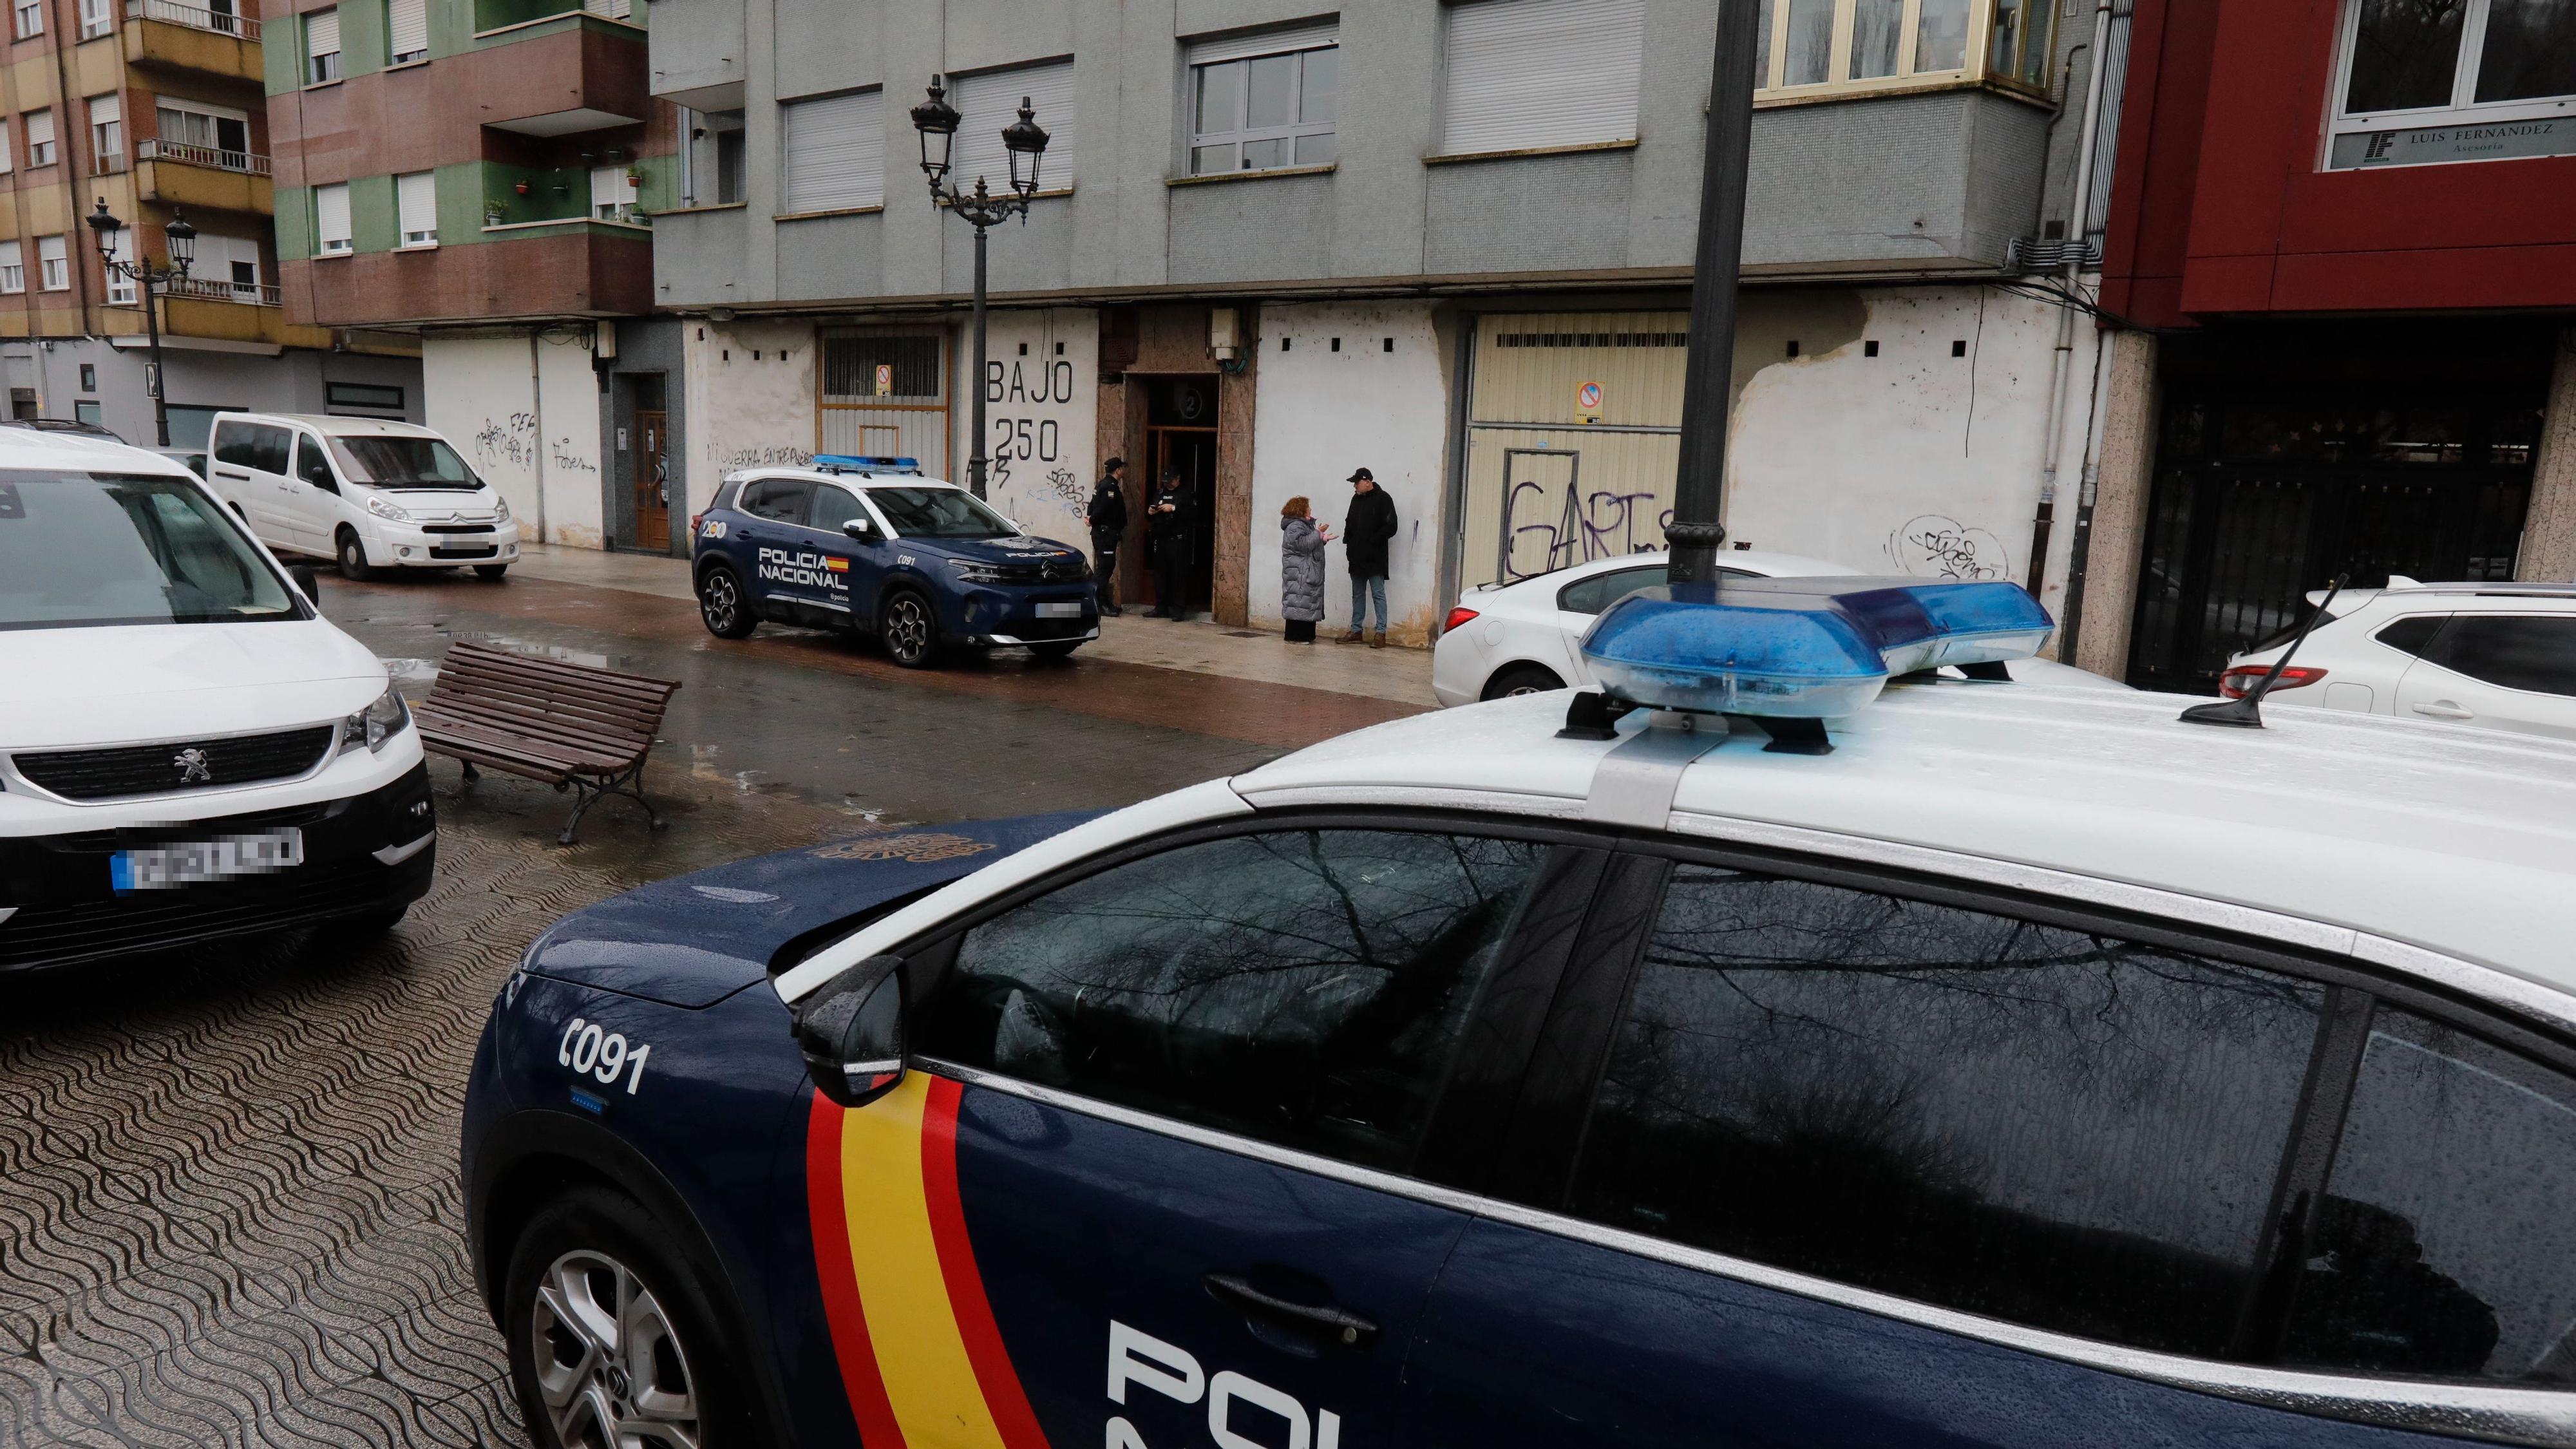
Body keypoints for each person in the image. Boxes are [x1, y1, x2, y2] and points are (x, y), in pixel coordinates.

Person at [1340, 466, 1398, 647]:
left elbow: (1391, 527)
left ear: (1367, 481)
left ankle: (1380, 633)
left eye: (1356, 483)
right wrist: (1348, 543)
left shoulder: (1384, 499)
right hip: (1357, 557)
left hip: (1375, 558)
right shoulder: (1355, 500)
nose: (1355, 487)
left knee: (1378, 594)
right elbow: (1349, 523)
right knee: (1357, 595)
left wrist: (1373, 541)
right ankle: (1356, 630)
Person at [1279, 495, 1331, 643]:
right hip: (1300, 572)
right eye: (1308, 506)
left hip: (1306, 570)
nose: (1310, 509)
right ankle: (1297, 636)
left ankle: (1306, 635)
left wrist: (1323, 538)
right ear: (1301, 510)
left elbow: (1310, 544)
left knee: (1305, 602)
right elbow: (1303, 545)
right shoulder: (1295, 526)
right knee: (1299, 601)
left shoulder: (1304, 525)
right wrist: (1318, 533)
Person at [1146, 468, 1193, 620]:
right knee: (1160, 575)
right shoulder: (1159, 493)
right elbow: (1150, 514)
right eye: (1166, 481)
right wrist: (1151, 512)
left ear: (1178, 479)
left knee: (1178, 575)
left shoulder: (1185, 494)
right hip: (1161, 540)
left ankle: (1178, 609)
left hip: (1177, 540)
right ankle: (1161, 607)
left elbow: (1192, 515)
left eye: (1171, 481)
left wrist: (1173, 508)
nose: (1168, 484)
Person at [1086, 457, 1129, 617]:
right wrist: (1092, 519)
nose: (1123, 471)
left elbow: (1092, 505)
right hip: (1105, 535)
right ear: (1117, 470)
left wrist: (1090, 517)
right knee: (1104, 570)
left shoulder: (1101, 484)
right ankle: (1100, 604)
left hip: (1104, 534)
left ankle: (1105, 602)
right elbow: (1103, 508)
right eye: (1122, 468)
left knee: (1106, 568)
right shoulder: (1110, 488)